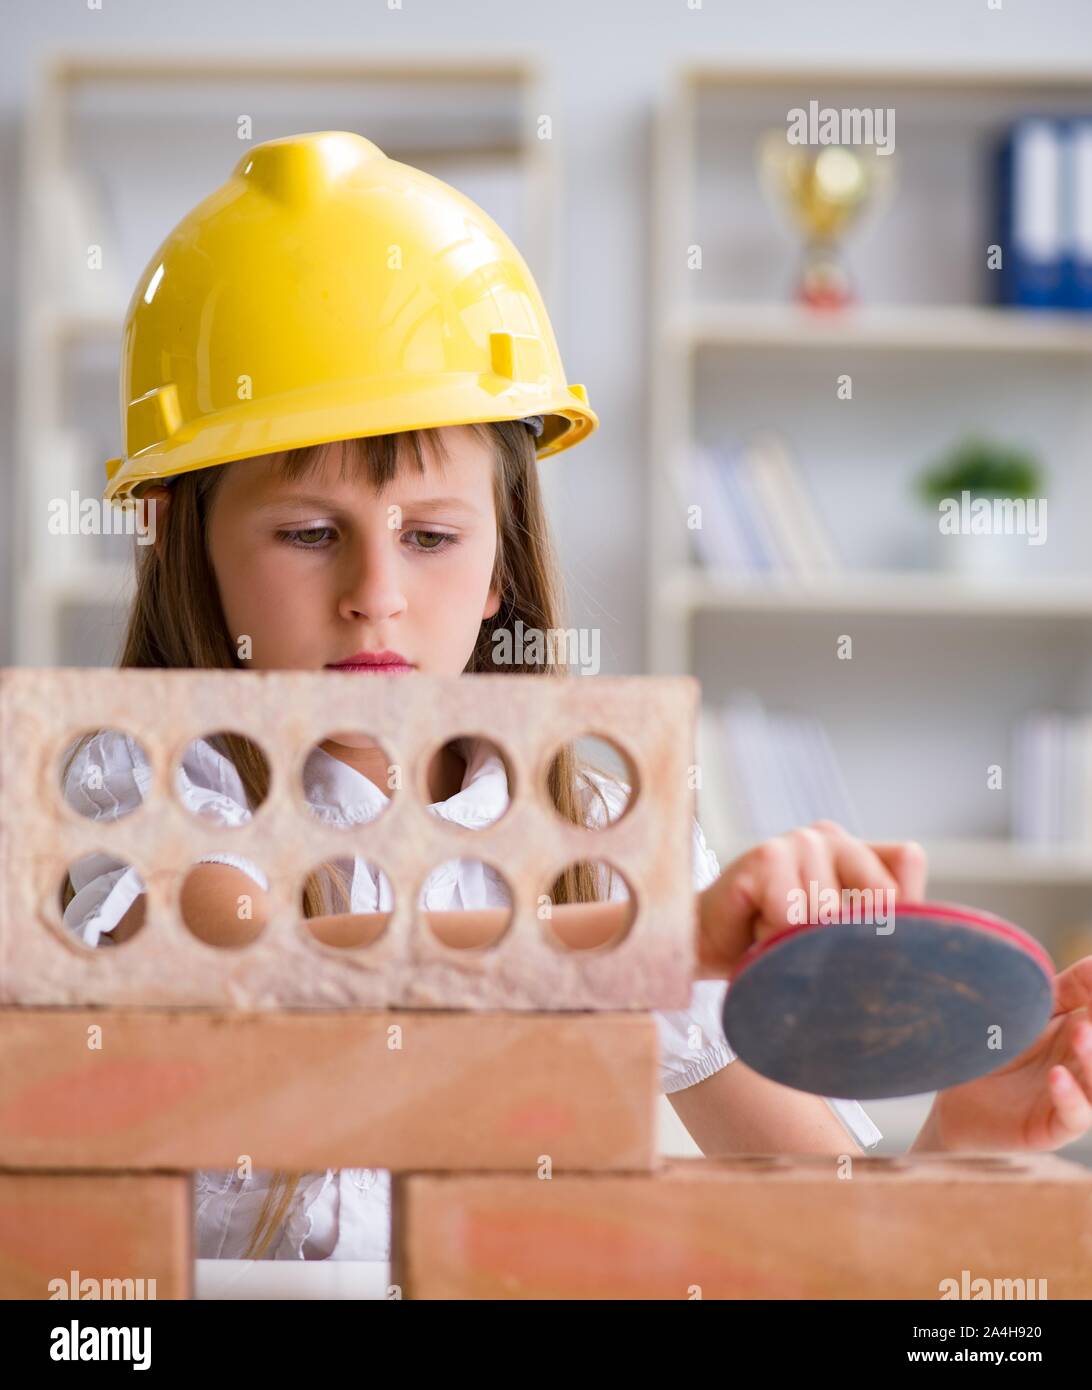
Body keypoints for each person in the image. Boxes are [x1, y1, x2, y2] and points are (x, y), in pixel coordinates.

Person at [60, 131, 1092, 1263]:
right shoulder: (133, 791)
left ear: (501, 565)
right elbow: (268, 956)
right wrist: (651, 936)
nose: (378, 597)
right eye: (310, 533)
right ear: (183, 545)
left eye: (434, 536)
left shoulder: (603, 838)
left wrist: (963, 1137)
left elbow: (857, 1246)